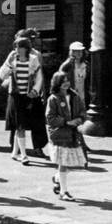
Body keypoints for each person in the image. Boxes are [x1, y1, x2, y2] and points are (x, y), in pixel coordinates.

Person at [0, 36, 44, 164]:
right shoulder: (12, 59)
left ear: (26, 48)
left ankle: (14, 152)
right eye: (16, 47)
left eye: (20, 47)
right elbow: (2, 75)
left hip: (28, 97)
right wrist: (8, 63)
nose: (17, 50)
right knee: (20, 126)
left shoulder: (33, 59)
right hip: (15, 96)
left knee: (21, 124)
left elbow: (39, 77)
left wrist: (35, 91)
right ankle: (23, 155)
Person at [45, 72, 87, 201]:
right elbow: (50, 117)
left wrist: (79, 119)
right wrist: (66, 122)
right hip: (60, 135)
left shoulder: (75, 96)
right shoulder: (53, 98)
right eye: (63, 80)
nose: (66, 82)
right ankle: (63, 192)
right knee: (63, 162)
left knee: (76, 163)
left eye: (68, 80)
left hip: (73, 133)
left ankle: (58, 177)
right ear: (57, 83)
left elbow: (82, 111)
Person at [58, 42, 90, 109]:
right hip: (70, 95)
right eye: (76, 51)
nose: (79, 53)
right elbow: (59, 81)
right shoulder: (66, 65)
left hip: (83, 95)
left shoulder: (86, 65)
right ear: (72, 52)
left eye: (80, 51)